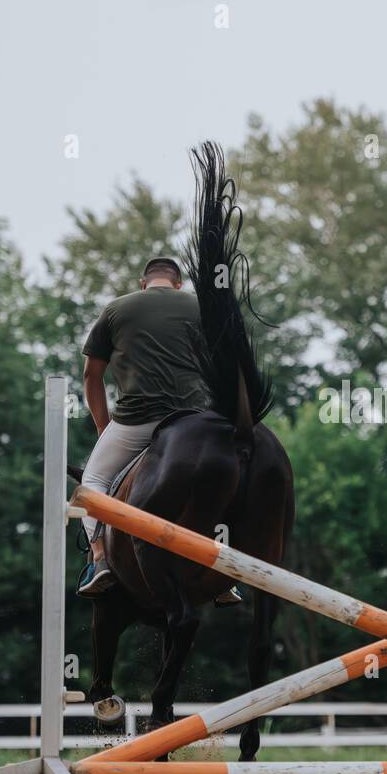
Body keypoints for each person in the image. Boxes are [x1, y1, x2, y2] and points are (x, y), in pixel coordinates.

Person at [76, 255, 242, 606]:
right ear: (178, 284)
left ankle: (100, 559)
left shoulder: (115, 309)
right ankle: (223, 571)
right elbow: (227, 367)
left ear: (143, 283)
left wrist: (103, 425)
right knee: (228, 481)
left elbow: (92, 375)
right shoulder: (201, 307)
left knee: (91, 483)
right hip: (195, 424)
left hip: (136, 420)